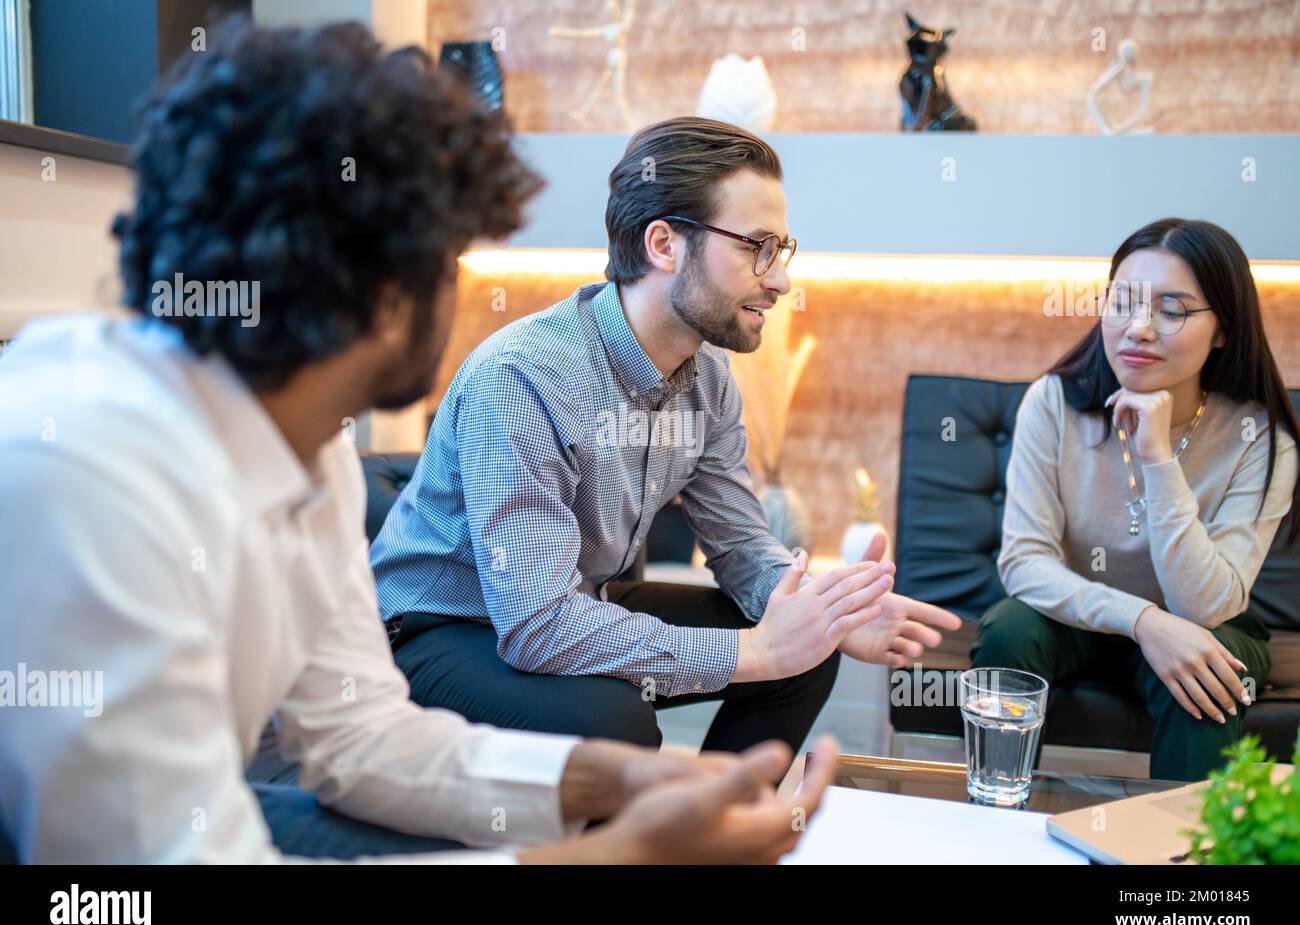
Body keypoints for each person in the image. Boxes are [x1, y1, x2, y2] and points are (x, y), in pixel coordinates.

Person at [0, 19, 840, 864]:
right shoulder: (83, 475)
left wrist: (618, 787)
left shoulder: (305, 449)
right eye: (447, 259)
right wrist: (625, 854)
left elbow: (362, 737)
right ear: (380, 282)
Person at [370, 116, 960, 758]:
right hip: (438, 631)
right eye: (755, 247)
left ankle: (723, 826)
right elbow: (534, 626)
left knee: (806, 653)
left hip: (570, 599)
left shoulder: (709, 377)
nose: (781, 281)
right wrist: (753, 651)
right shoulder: (521, 377)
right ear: (663, 244)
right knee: (614, 718)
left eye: (781, 251)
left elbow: (739, 546)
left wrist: (819, 608)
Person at [973, 218, 1299, 781]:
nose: (1138, 328)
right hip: (1080, 617)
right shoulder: (1054, 403)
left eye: (1173, 310)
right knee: (1010, 626)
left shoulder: (1260, 441)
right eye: (1122, 302)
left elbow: (1206, 606)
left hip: (1209, 621)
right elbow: (1024, 564)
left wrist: (1158, 458)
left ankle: (1184, 847)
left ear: (1223, 328)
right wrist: (1143, 621)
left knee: (1211, 663)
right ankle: (997, 816)